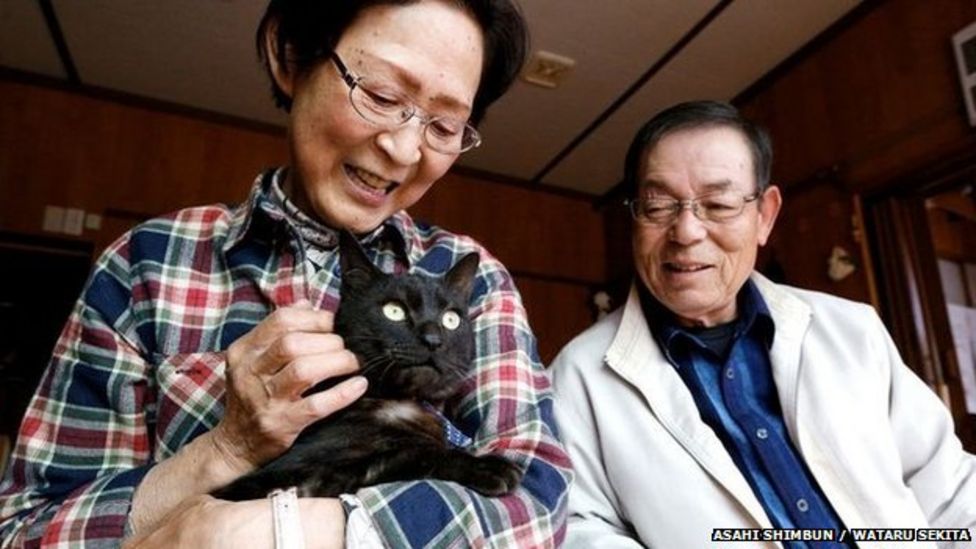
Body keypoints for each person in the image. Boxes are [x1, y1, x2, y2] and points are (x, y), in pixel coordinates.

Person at [0, 1, 573, 547]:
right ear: (291, 56)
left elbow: (537, 507)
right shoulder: (148, 263)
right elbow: (27, 531)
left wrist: (285, 532)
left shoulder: (472, 279)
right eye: (379, 94)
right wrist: (225, 449)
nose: (403, 149)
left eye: (445, 127)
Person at [551, 100, 976, 548]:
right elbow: (578, 528)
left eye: (717, 204)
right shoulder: (579, 375)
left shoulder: (851, 330)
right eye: (658, 206)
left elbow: (949, 487)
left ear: (765, 215)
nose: (687, 232)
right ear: (634, 217)